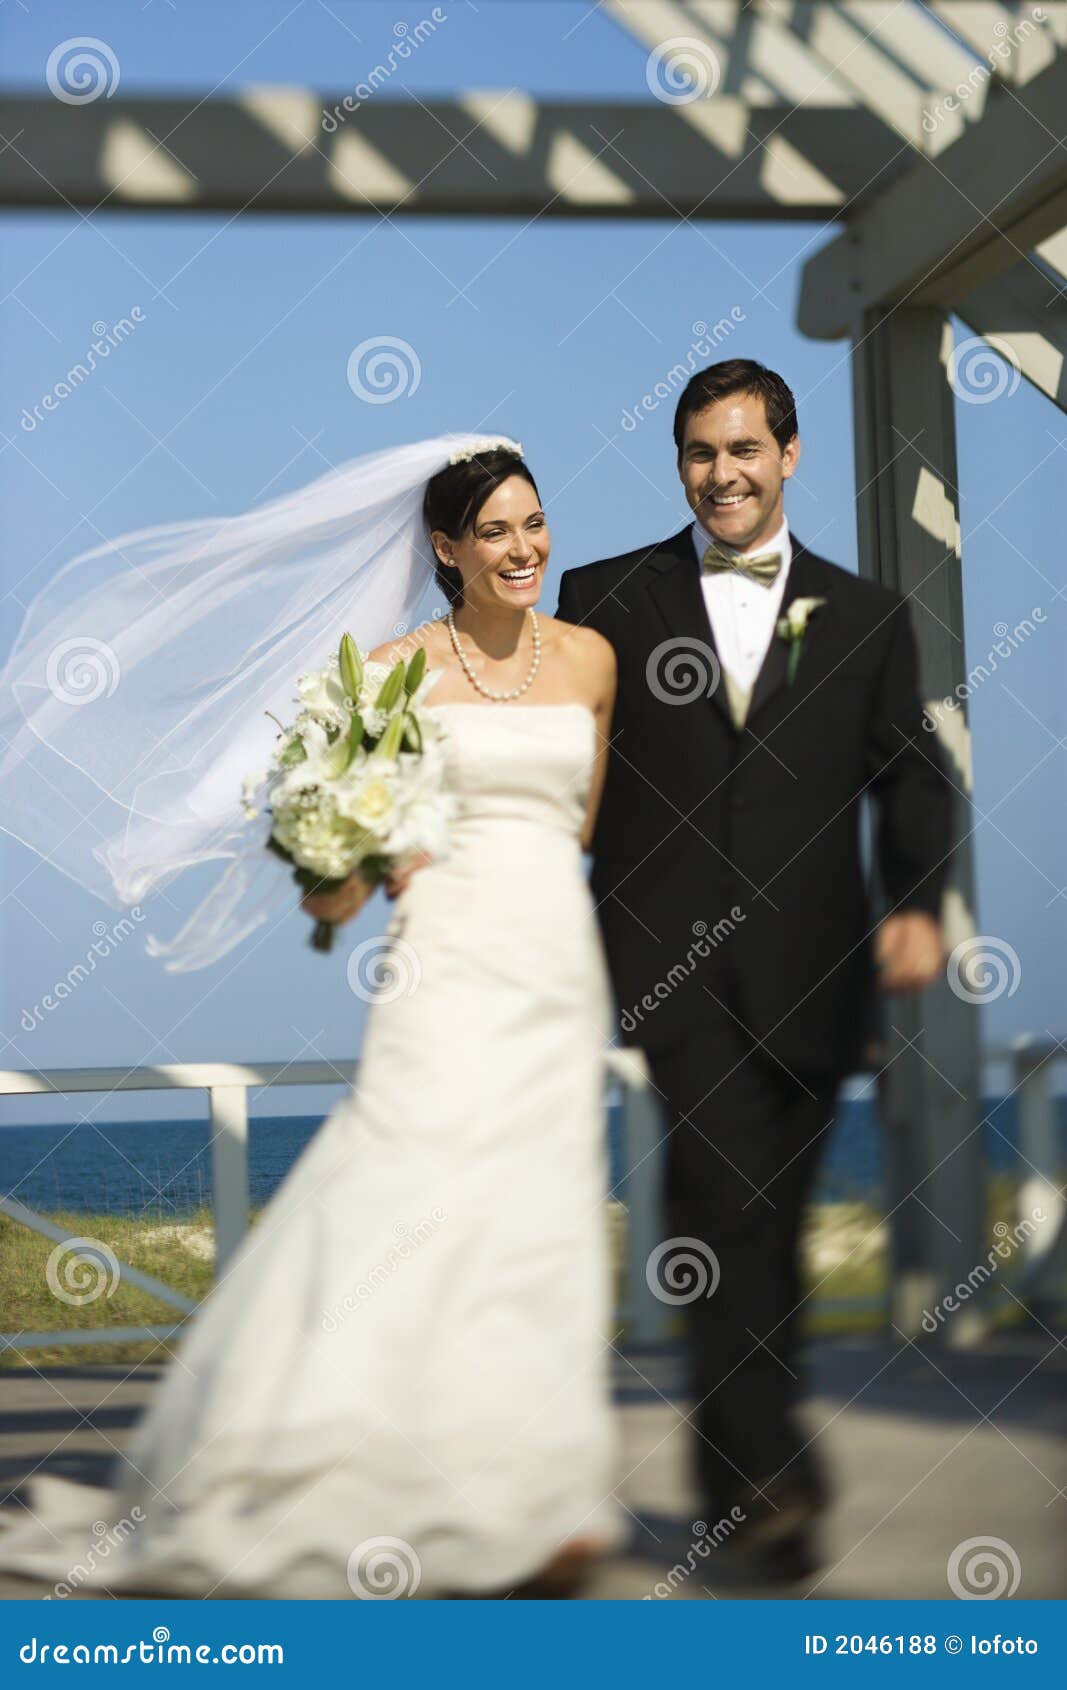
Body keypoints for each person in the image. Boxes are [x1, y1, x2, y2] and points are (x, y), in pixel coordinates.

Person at [0, 440, 625, 1599]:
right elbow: (333, 892)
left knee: (534, 1210)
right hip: (439, 961)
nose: (522, 547)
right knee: (404, 1186)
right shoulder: (384, 671)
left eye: (532, 523)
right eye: (493, 531)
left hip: (554, 966)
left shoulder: (591, 660)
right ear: (445, 548)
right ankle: (323, 1466)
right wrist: (347, 835)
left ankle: (525, 1494)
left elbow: (577, 827)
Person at [555, 359, 953, 1583]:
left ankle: (761, 1469)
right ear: (677, 462)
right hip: (668, 965)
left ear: (787, 456)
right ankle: (760, 1485)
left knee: (763, 1229)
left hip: (814, 968)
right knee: (716, 1208)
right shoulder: (604, 596)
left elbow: (915, 777)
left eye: (740, 450)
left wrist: (918, 905)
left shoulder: (869, 617)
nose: (718, 473)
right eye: (696, 451)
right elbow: (543, 739)